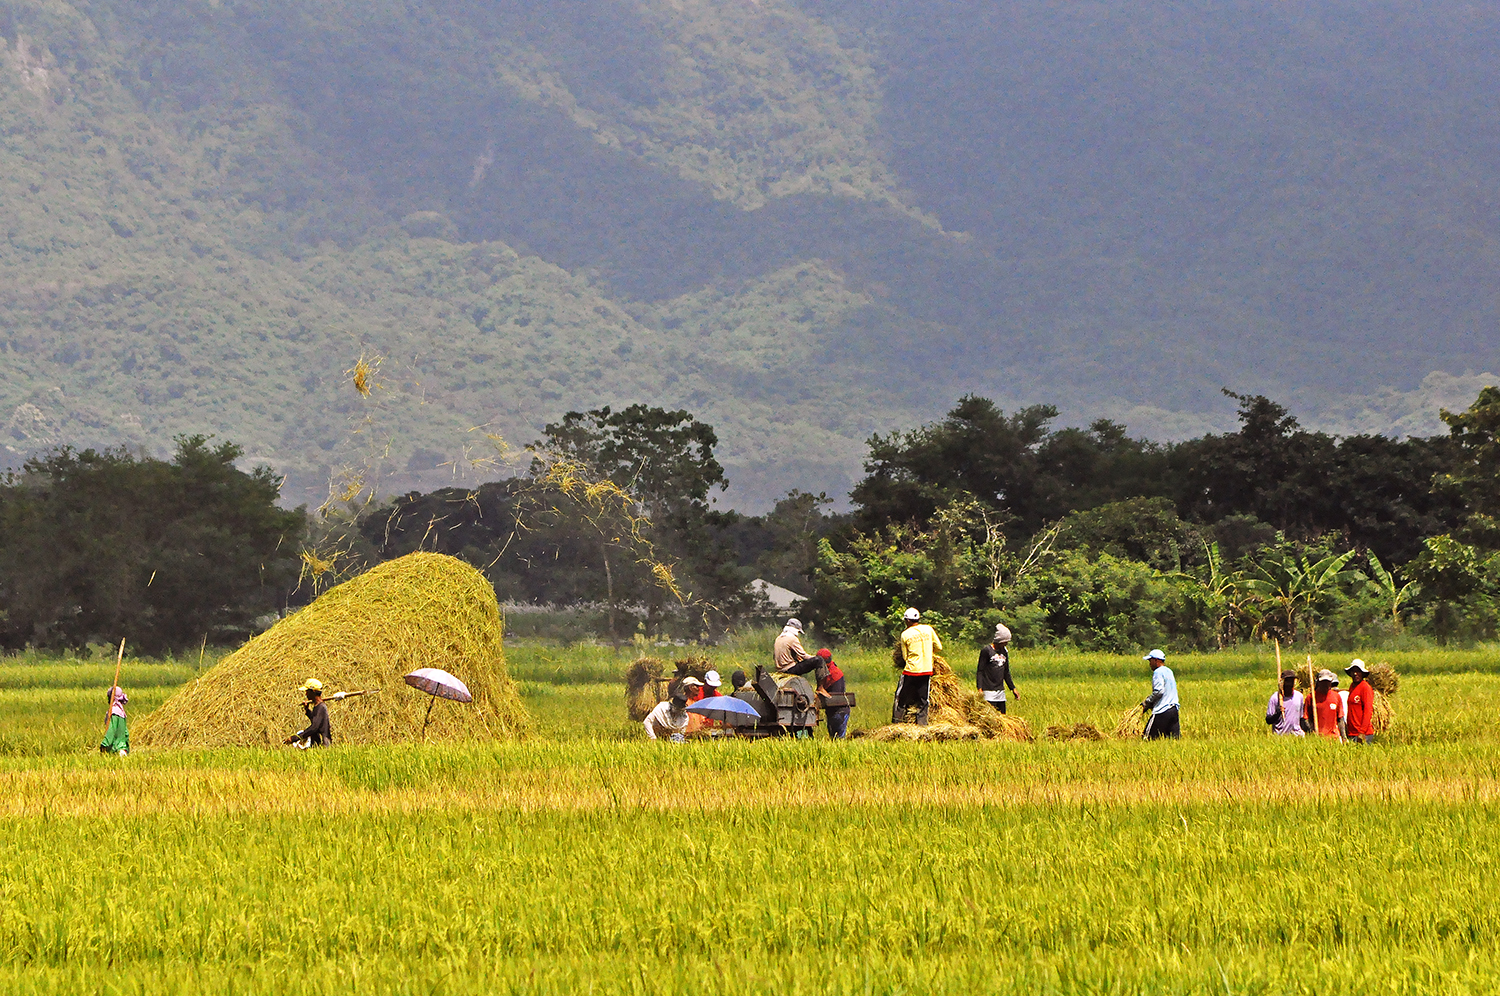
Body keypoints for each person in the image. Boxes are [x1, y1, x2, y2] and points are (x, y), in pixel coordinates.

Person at [894, 608, 941, 725]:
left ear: (908, 621)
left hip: (911, 671)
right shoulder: (928, 629)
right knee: (923, 699)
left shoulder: (905, 634)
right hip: (926, 670)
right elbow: (939, 647)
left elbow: (905, 657)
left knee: (901, 697)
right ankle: (922, 724)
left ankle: (897, 722)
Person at [976, 624, 1019, 713]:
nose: (1006, 644)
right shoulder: (986, 651)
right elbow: (980, 671)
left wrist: (1013, 688)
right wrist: (980, 689)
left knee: (1002, 716)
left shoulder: (1004, 652)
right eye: (1005, 642)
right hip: (988, 691)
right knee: (990, 717)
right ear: (1000, 640)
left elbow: (1006, 672)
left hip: (1000, 692)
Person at [1140, 649, 1180, 739]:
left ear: (1156, 660)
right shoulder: (1169, 671)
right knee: (1173, 740)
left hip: (1162, 711)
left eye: (1150, 661)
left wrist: (1148, 702)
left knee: (1146, 738)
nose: (1150, 664)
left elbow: (1159, 691)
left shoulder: (1158, 672)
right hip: (1174, 710)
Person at [813, 648, 850, 739]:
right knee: (833, 738)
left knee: (838, 739)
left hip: (839, 711)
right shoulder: (824, 672)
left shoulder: (835, 674)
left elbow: (836, 697)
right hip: (830, 711)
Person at [283, 678, 331, 747]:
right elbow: (316, 721)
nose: (306, 694)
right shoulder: (317, 707)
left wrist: (296, 737)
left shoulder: (321, 707)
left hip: (323, 745)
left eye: (307, 691)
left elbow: (314, 728)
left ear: (313, 691)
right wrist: (307, 710)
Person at [1305, 669, 1345, 740]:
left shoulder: (1336, 697)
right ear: (1319, 682)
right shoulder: (1311, 697)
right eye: (1323, 682)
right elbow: (1306, 718)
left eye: (1327, 682)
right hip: (1318, 737)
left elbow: (1340, 719)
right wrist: (1312, 732)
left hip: (1333, 737)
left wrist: (1344, 737)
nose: (1325, 684)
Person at [1344, 660, 1375, 744]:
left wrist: (1362, 732)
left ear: (1362, 673)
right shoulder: (1352, 687)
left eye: (1358, 671)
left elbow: (1368, 711)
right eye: (1353, 671)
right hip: (1352, 732)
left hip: (1363, 734)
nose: (1355, 674)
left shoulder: (1365, 688)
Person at [1265, 669, 1304, 736]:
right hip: (1280, 735)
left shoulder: (1299, 696)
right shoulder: (1275, 698)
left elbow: (1301, 718)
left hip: (1297, 735)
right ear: (1283, 682)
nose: (1289, 684)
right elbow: (1268, 720)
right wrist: (1277, 714)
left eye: (1291, 681)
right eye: (1287, 681)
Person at [100, 685, 129, 756]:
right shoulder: (121, 712)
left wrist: (104, 745)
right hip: (123, 750)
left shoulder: (114, 712)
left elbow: (111, 730)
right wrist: (127, 748)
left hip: (115, 751)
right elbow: (126, 733)